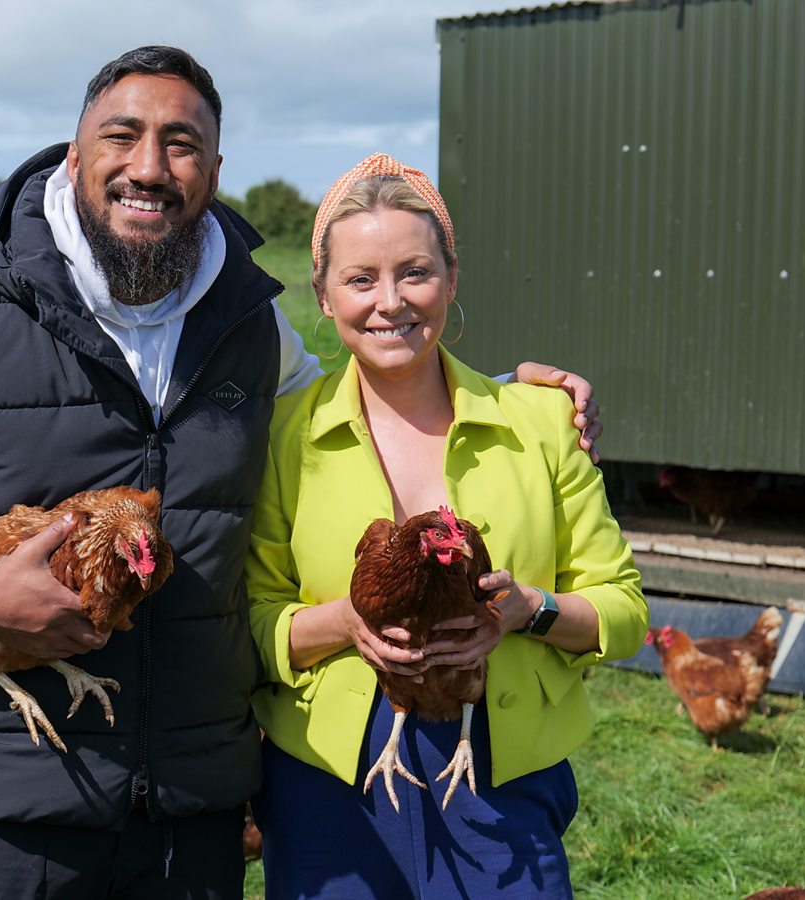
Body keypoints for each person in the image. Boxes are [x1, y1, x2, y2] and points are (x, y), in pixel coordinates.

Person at [0, 48, 599, 899]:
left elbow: (376, 389)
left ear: (214, 171)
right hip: (11, 807)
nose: (149, 167)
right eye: (123, 136)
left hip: (194, 810)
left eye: (180, 144)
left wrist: (510, 402)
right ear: (75, 156)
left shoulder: (255, 332)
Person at [245, 153, 649, 898]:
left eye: (415, 272)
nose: (390, 302)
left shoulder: (539, 424)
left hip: (499, 768)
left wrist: (531, 612)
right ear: (325, 298)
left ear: (451, 280)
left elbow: (623, 610)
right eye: (360, 279)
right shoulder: (282, 436)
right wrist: (345, 620)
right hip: (332, 779)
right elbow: (250, 623)